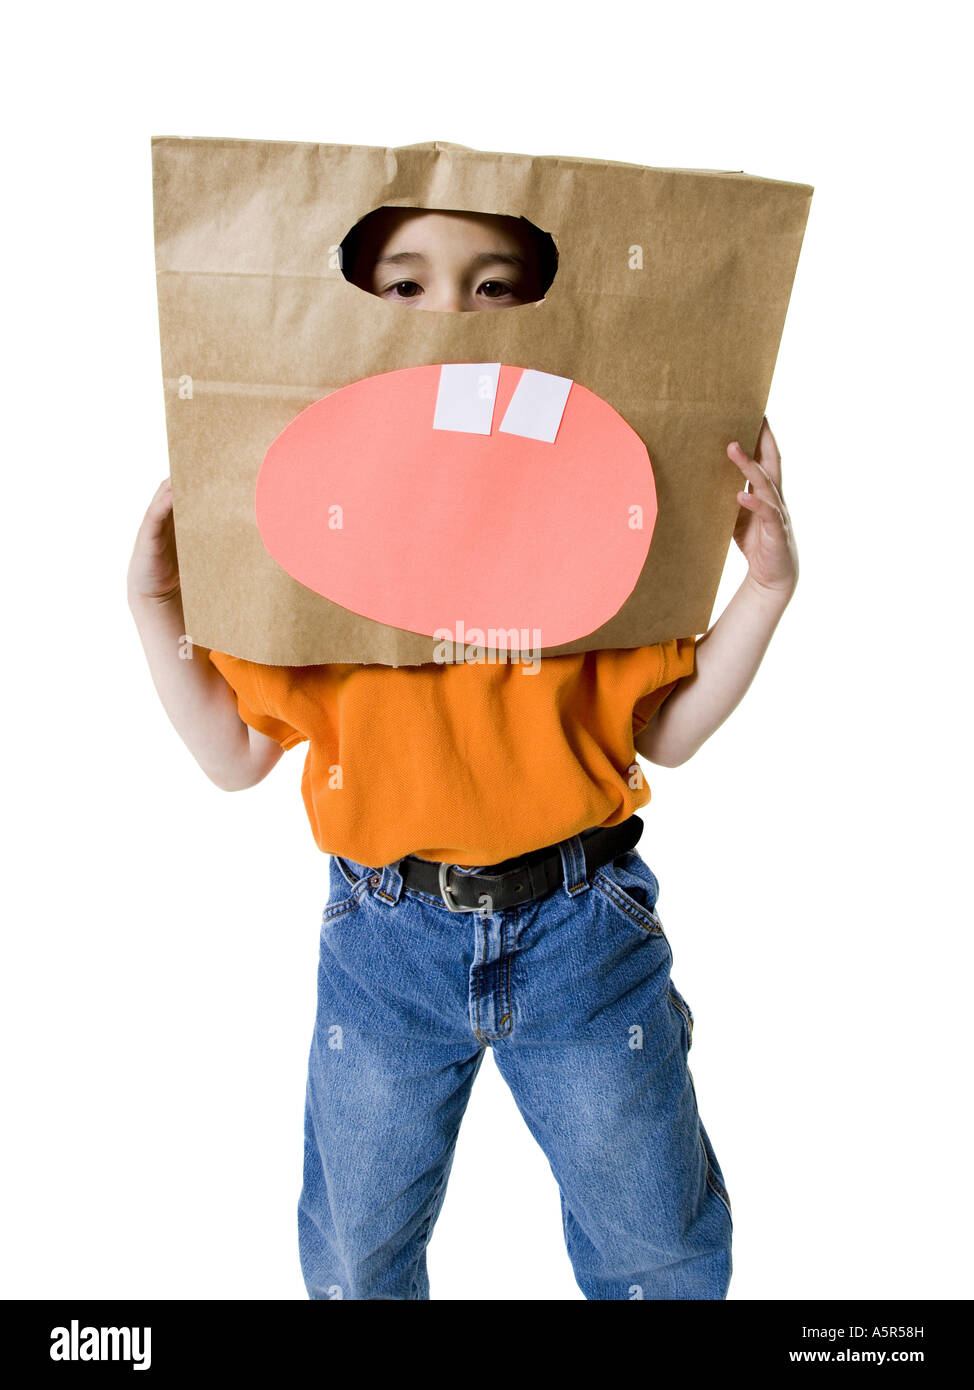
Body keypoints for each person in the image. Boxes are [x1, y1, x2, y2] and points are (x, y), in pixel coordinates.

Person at [128, 204, 798, 1300]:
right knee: (356, 1253)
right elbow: (235, 752)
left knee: (656, 1245)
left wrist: (762, 591)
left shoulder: (589, 542)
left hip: (582, 930)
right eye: (402, 285)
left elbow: (664, 732)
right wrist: (153, 607)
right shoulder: (313, 556)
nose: (448, 314)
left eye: (494, 287)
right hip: (383, 941)